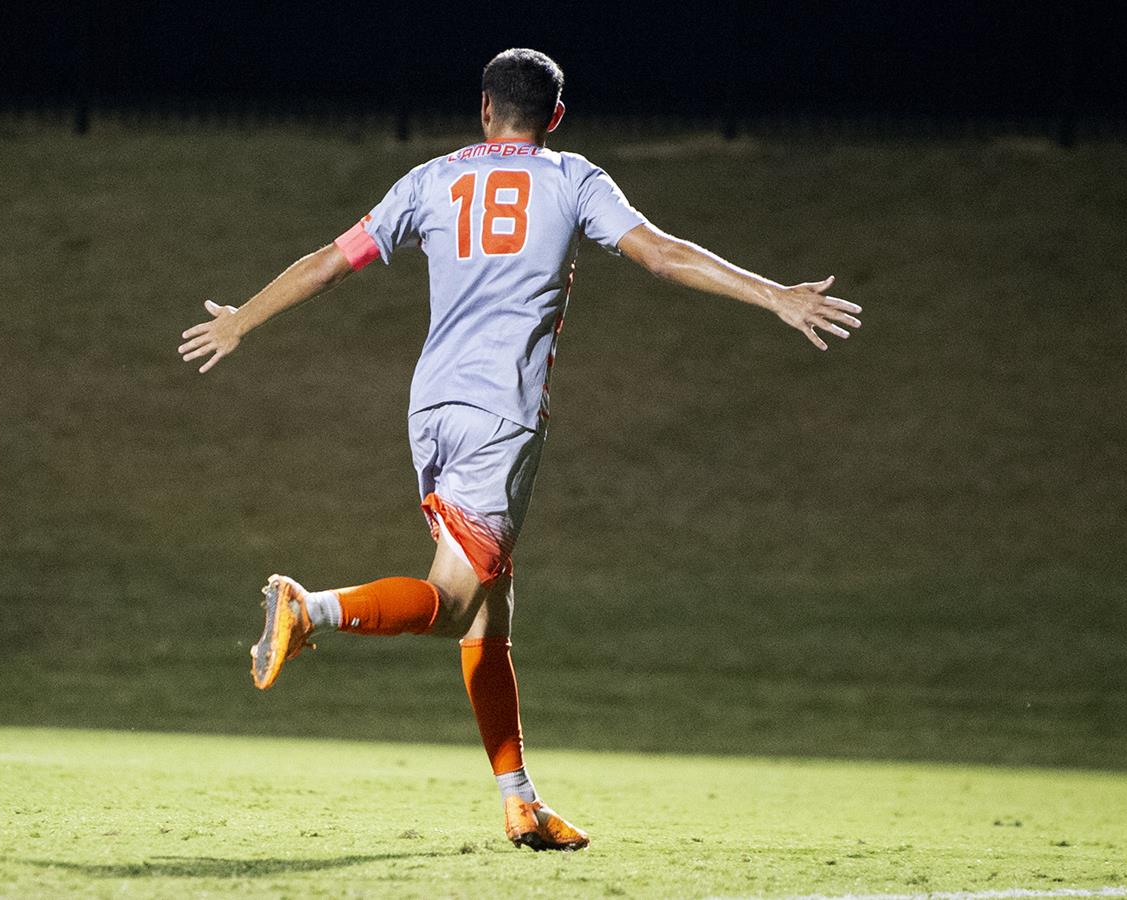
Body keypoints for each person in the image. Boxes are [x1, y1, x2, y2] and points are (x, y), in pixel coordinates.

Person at [176, 48, 862, 851]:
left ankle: (520, 801)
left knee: (490, 610)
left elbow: (332, 263)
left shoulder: (431, 180)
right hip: (501, 415)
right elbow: (662, 254)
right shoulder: (574, 179)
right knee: (454, 602)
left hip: (431, 409)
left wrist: (241, 320)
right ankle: (311, 607)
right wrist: (775, 295)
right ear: (556, 117)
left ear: (484, 108)